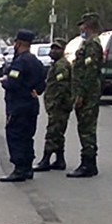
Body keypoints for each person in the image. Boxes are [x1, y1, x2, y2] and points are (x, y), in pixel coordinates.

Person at [0, 30, 47, 182]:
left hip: (18, 105)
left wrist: (4, 81)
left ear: (18, 43)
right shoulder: (36, 62)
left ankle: (19, 168)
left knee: (16, 136)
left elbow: (13, 82)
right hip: (31, 105)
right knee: (28, 136)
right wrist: (37, 91)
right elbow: (42, 82)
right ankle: (27, 167)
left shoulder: (20, 62)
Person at [68, 12, 104, 178]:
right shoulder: (87, 43)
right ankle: (87, 162)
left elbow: (90, 72)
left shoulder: (92, 45)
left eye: (82, 25)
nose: (81, 28)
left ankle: (88, 164)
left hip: (88, 93)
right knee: (84, 126)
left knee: (87, 128)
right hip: (86, 91)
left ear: (88, 25)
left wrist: (81, 94)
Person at [35, 39, 74, 172]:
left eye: (56, 49)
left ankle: (45, 160)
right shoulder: (56, 64)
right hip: (56, 104)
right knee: (58, 132)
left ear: (62, 51)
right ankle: (59, 159)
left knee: (52, 132)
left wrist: (57, 103)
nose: (53, 51)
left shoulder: (61, 66)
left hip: (59, 105)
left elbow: (62, 86)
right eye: (52, 48)